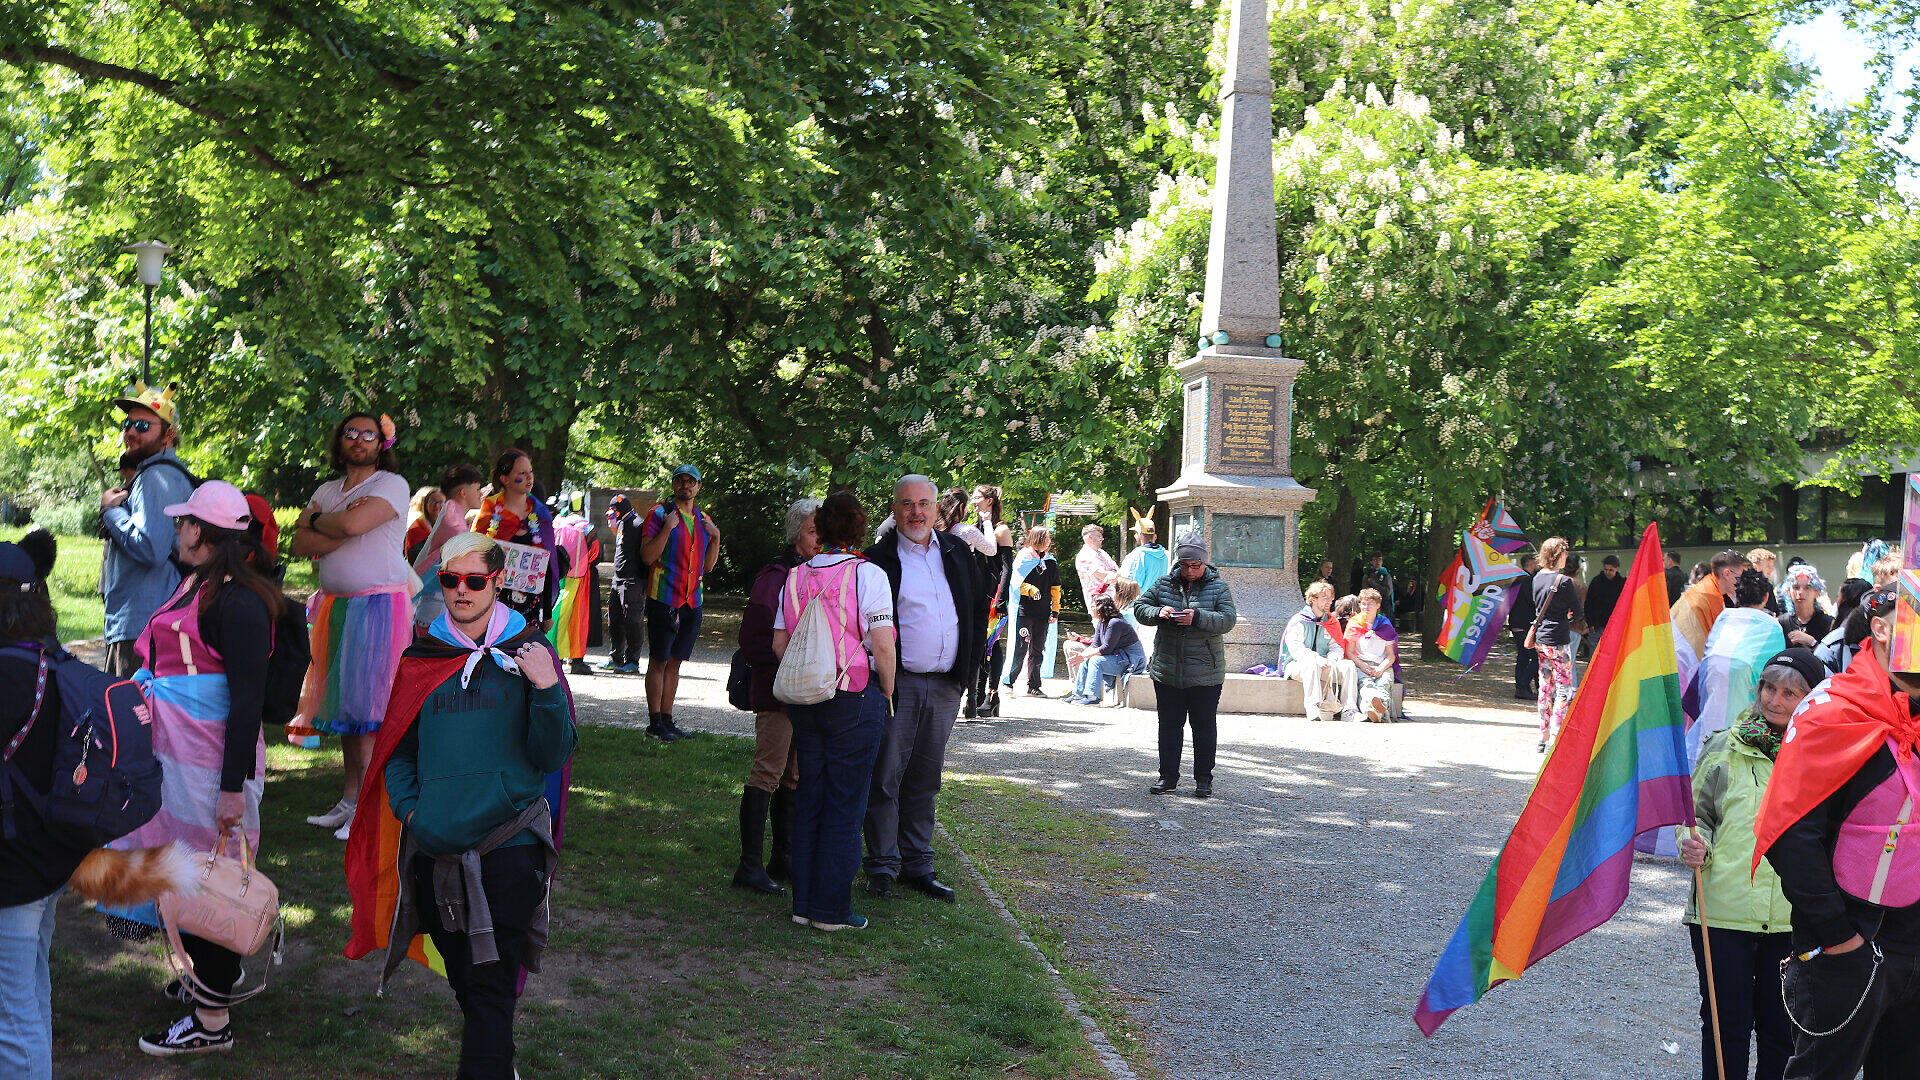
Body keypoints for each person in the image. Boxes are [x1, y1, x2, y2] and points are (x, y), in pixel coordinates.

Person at [344, 531, 577, 1080]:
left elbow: (553, 754)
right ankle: (499, 1062)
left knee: (490, 990)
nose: (462, 591)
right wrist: (413, 813)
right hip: (436, 854)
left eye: (475, 580)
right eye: (451, 581)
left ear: (497, 582)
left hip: (507, 849)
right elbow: (397, 752)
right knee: (468, 984)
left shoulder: (531, 652)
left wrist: (545, 690)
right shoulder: (423, 657)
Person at [109, 482, 276, 1056]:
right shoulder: (199, 585)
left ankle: (211, 1022)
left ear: (202, 532)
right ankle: (206, 983)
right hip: (181, 763)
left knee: (215, 879)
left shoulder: (241, 602)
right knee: (191, 871)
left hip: (209, 769)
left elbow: (247, 702)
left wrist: (232, 789)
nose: (176, 530)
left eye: (183, 523)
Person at [1756, 586, 1920, 1080]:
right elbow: (1792, 834)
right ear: (1881, 628)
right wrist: (1839, 938)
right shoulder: (1832, 709)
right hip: (1849, 945)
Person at [1674, 648, 1823, 1080]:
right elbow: (1694, 814)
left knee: (1782, 1031)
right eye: (1769, 688)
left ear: (1810, 699)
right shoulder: (1723, 745)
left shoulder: (1824, 756)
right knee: (1725, 1028)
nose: (1775, 700)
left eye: (1790, 693)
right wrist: (1691, 842)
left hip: (1792, 919)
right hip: (1722, 909)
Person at [772, 492, 896, 931]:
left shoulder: (794, 577)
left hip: (806, 700)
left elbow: (779, 645)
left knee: (810, 798)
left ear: (820, 527)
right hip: (853, 694)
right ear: (859, 528)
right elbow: (882, 644)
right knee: (846, 803)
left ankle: (804, 904)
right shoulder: (869, 575)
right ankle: (831, 910)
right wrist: (889, 690)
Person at [861, 476, 986, 903]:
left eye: (924, 504)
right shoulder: (876, 559)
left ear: (937, 509)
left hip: (946, 684)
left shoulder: (956, 553)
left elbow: (972, 614)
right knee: (886, 775)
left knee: (926, 778)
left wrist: (968, 674)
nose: (916, 512)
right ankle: (881, 865)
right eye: (907, 504)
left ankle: (918, 864)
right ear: (894, 509)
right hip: (896, 684)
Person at [289, 413, 414, 840]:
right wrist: (334, 522)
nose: (358, 440)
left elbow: (349, 525)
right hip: (336, 608)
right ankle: (348, 798)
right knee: (346, 708)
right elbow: (300, 543)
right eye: (350, 433)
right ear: (339, 440)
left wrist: (322, 521)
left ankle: (369, 806)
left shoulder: (390, 485)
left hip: (378, 607)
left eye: (368, 434)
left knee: (370, 711)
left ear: (382, 443)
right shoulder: (326, 489)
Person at [0, 533, 91, 1078]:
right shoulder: (49, 657)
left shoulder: (6, 673)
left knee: (11, 1016)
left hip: (15, 866)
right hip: (48, 855)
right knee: (30, 995)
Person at [733, 499, 819, 894]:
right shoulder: (776, 574)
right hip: (777, 691)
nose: (820, 539)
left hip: (805, 692)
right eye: (813, 531)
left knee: (794, 774)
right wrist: (788, 667)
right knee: (768, 772)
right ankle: (749, 868)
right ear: (795, 534)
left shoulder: (815, 572)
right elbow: (754, 637)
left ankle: (782, 859)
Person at [100, 382, 196, 677]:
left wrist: (111, 511)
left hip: (140, 622)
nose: (130, 432)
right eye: (127, 424)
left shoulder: (157, 478)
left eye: (143, 425)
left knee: (128, 718)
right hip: (145, 618)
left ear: (168, 436)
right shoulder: (156, 475)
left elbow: (152, 548)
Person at [1133, 537, 1237, 798]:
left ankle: (1204, 779)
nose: (1190, 571)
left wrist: (1198, 617)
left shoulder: (1219, 587)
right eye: (1185, 565)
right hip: (1167, 670)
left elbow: (1228, 620)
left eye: (1196, 565)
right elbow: (1140, 607)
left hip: (1205, 673)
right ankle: (1167, 777)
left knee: (1203, 727)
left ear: (1204, 563)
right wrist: (1159, 613)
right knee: (1169, 726)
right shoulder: (1164, 583)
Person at [639, 465, 720, 740]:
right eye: (680, 480)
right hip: (664, 598)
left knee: (675, 663)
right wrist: (667, 529)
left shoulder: (704, 519)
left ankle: (667, 719)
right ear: (674, 486)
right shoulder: (660, 514)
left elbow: (707, 567)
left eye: (691, 481)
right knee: (659, 661)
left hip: (692, 602)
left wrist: (716, 537)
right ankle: (654, 724)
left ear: (698, 487)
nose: (686, 485)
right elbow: (648, 557)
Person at [1685, 570, 1787, 766]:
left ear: (1735, 595)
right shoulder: (1772, 627)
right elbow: (1775, 674)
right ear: (1766, 597)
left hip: (1710, 696)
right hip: (1744, 706)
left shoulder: (1723, 618)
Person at [473, 450, 564, 627]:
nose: (529, 477)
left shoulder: (541, 515)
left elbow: (546, 565)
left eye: (530, 472)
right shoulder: (489, 512)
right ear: (504, 478)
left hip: (529, 610)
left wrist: (546, 614)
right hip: (491, 607)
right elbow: (475, 559)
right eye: (522, 473)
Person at [410, 464, 487, 633]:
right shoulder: (455, 524)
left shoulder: (452, 512)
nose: (480, 494)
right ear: (463, 493)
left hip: (434, 608)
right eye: (477, 489)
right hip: (437, 611)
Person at [1528, 537, 1584, 753]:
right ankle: (1555, 734)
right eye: (1565, 553)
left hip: (1541, 640)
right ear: (1557, 555)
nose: (1566, 557)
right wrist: (1567, 616)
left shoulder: (1536, 579)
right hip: (1559, 640)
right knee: (1564, 688)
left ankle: (1542, 735)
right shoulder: (1564, 581)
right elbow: (1578, 612)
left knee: (1545, 687)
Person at [967, 485, 1015, 719]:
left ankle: (992, 695)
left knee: (991, 643)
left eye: (976, 497)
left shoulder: (1001, 529)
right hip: (974, 591)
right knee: (978, 643)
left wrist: (1001, 598)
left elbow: (1007, 568)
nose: (973, 501)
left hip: (992, 593)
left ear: (989, 501)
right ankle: (975, 694)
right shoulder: (974, 527)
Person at [1281, 582, 1358, 722]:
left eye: (1330, 598)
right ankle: (1313, 707)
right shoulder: (1299, 621)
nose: (1329, 601)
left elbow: (1337, 647)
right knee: (1311, 665)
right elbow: (1296, 649)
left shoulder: (1330, 622)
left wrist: (1332, 659)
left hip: (1325, 664)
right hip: (1298, 665)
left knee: (1348, 666)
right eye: (1325, 597)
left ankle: (1349, 710)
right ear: (1313, 599)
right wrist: (1317, 659)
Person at [1001, 526, 1061, 697]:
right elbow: (1015, 582)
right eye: (1047, 538)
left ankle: (1034, 685)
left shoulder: (1050, 562)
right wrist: (1030, 589)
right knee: (1020, 648)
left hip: (1043, 613)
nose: (1049, 541)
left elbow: (1056, 587)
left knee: (1037, 650)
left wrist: (1055, 610)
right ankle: (1008, 681)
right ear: (1038, 539)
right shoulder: (1024, 558)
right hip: (1024, 612)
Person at [1674, 549, 1752, 670]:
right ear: (1727, 573)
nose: (1745, 583)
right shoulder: (1706, 597)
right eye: (1742, 577)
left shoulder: (1711, 590)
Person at [598, 493, 649, 674]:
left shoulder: (638, 524)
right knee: (614, 619)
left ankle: (632, 661)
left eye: (614, 511)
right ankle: (616, 658)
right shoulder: (621, 523)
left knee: (633, 621)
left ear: (621, 510)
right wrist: (612, 523)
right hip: (617, 579)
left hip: (632, 580)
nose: (611, 514)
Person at [546, 509, 600, 676]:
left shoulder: (558, 524)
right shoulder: (587, 528)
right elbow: (595, 554)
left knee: (557, 615)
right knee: (578, 620)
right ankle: (577, 661)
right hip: (581, 579)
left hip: (559, 575)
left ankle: (555, 657)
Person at [1066, 595, 1145, 705]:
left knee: (1095, 660)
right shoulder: (1102, 622)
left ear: (1101, 608)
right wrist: (1082, 656)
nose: (1091, 609)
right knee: (1088, 660)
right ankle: (1078, 694)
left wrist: (1084, 656)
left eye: (1093, 606)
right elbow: (1095, 645)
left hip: (1131, 661)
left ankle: (1092, 697)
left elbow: (1107, 648)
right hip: (1119, 658)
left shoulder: (1115, 623)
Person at [1118, 514, 1171, 655]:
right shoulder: (1166, 554)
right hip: (1158, 606)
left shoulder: (1136, 556)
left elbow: (1128, 583)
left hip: (1137, 608)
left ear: (1139, 535)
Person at [1345, 588, 1399, 722]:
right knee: (1365, 685)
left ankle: (1373, 712)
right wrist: (1363, 666)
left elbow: (1391, 655)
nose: (1366, 607)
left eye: (1370, 604)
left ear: (1378, 605)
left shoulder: (1385, 625)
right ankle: (1375, 711)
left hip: (1382, 665)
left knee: (1384, 684)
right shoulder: (1354, 623)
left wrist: (1381, 668)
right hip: (1361, 663)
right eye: (1363, 603)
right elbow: (1349, 652)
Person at [1779, 564, 1835, 649]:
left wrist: (1812, 643)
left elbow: (1833, 657)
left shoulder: (1828, 623)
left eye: (1807, 588)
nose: (1800, 592)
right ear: (1788, 592)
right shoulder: (1782, 623)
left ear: (1816, 592)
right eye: (1796, 587)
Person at [1509, 552, 1540, 701]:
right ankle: (1522, 685)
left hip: (1516, 622)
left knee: (1522, 656)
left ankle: (1522, 688)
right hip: (1524, 623)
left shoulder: (1517, 579)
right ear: (1532, 564)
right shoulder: (1529, 581)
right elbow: (1532, 602)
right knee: (1536, 658)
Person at [1074, 523, 1119, 620]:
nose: (1102, 538)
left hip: (1113, 601)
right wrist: (1114, 574)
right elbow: (1103, 576)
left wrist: (1114, 573)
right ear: (1090, 537)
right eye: (1099, 536)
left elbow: (1116, 570)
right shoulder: (1084, 556)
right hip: (1099, 605)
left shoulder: (1102, 553)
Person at [1585, 555, 1626, 642]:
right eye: (1606, 569)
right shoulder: (1596, 582)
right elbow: (1588, 603)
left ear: (1617, 568)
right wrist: (1590, 623)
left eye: (1611, 570)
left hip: (1616, 625)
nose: (1607, 572)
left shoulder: (1622, 583)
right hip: (1598, 626)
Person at [403, 486, 444, 562]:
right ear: (425, 505)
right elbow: (417, 558)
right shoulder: (416, 529)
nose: (437, 505)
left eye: (441, 502)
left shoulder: (451, 527)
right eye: (432, 502)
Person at [1359, 553, 1396, 623]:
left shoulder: (1386, 575)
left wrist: (1373, 583)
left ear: (1382, 561)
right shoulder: (1367, 574)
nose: (1377, 562)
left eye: (1379, 560)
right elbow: (1365, 591)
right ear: (1371, 562)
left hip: (1385, 605)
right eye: (1375, 560)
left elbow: (1387, 592)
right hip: (1371, 605)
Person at [1749, 547, 1785, 616]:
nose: (1772, 570)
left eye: (1772, 566)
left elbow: (1775, 610)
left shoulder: (1768, 585)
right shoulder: (1745, 587)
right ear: (1755, 567)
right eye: (1768, 566)